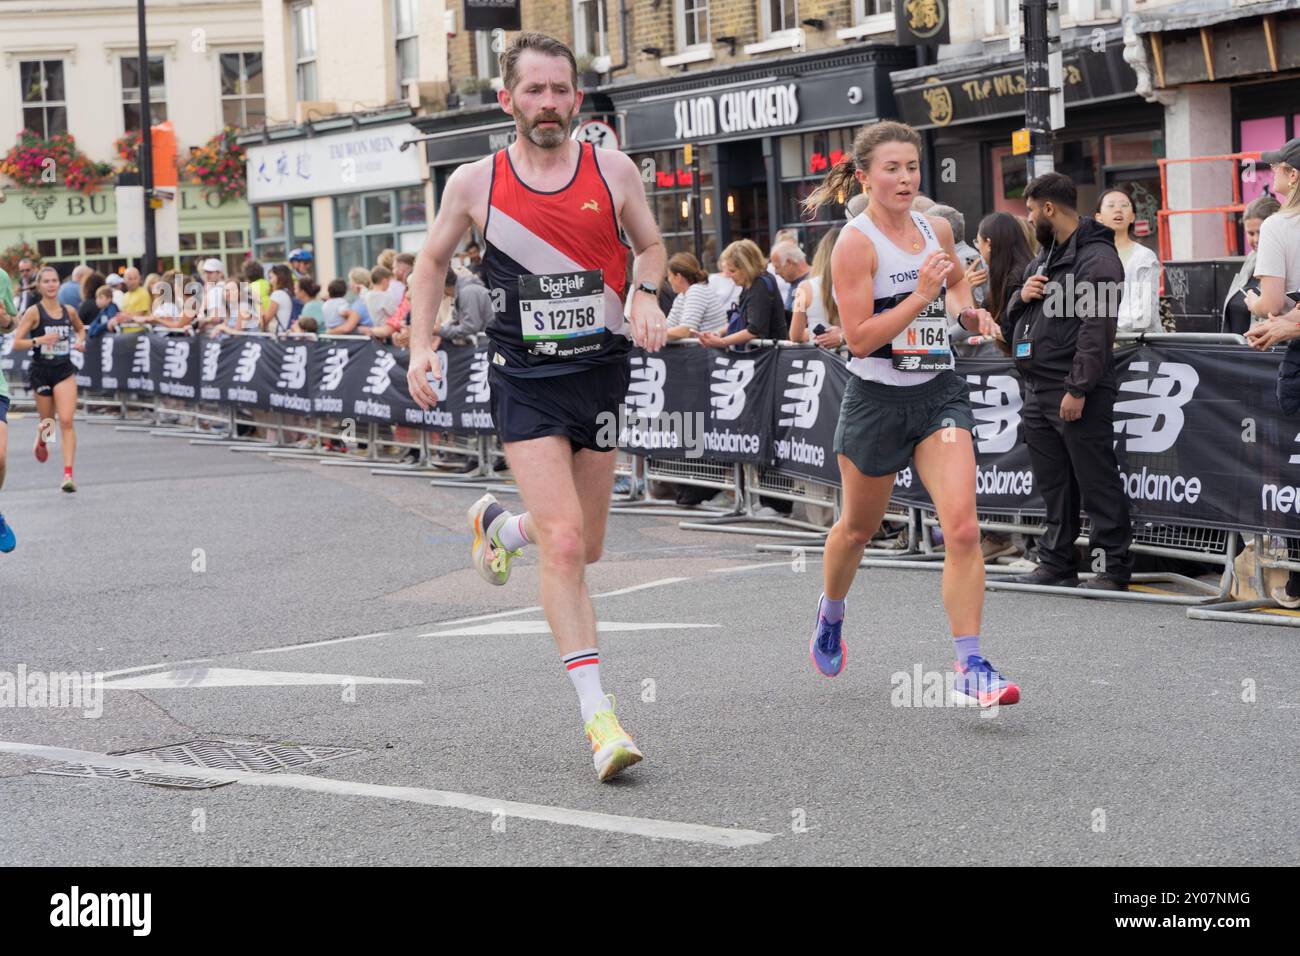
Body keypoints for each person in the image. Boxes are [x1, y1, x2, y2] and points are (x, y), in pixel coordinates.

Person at [407, 31, 667, 781]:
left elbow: (650, 248)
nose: (548, 105)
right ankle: (599, 718)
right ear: (507, 99)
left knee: (584, 547)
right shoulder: (474, 183)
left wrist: (646, 295)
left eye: (560, 91)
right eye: (534, 91)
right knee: (563, 547)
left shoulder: (612, 170)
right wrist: (421, 347)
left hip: (601, 373)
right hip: (524, 377)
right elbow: (429, 261)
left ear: (576, 99)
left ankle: (499, 527)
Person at [798, 120, 1017, 707]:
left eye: (912, 167)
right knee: (856, 530)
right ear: (864, 176)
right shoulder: (855, 243)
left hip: (937, 392)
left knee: (964, 526)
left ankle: (971, 664)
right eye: (890, 168)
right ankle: (832, 610)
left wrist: (974, 317)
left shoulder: (936, 227)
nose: (903, 178)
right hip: (876, 400)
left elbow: (958, 296)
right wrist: (921, 295)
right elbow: (862, 340)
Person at [1004, 171, 1134, 591]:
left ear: (1048, 208)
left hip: (1075, 390)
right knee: (1054, 483)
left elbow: (1097, 331)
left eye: (1029, 210)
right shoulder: (1047, 255)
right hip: (1037, 388)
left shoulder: (1098, 258)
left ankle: (1112, 568)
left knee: (1096, 480)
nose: (1027, 219)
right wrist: (1020, 297)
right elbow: (1015, 319)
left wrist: (1078, 388)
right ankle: (1057, 562)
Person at [1243, 137, 1300, 608]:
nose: (1271, 176)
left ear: (1293, 177)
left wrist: (1254, 305)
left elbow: (1272, 301)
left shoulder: (1281, 226)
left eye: (1277, 169)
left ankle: (1298, 579)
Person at [12, 265, 85, 492]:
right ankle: (42, 439)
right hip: (41, 370)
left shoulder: (69, 311)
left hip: (63, 369)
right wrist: (39, 340)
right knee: (48, 423)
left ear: (59, 284)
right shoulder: (34, 312)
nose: (51, 285)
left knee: (66, 420)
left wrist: (81, 341)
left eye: (54, 281)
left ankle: (68, 475)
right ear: (40, 286)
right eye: (47, 281)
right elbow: (16, 343)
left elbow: (81, 330)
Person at [697, 239, 788, 349]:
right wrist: (718, 333)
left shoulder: (759, 285)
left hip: (768, 356)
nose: (729, 276)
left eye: (733, 271)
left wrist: (722, 341)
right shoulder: (753, 283)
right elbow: (742, 320)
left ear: (747, 267)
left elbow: (754, 330)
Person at [1094, 188, 1161, 333]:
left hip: (1138, 347)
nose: (1118, 210)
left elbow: (1144, 315)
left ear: (1133, 217)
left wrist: (1106, 331)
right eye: (1111, 205)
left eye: (1124, 205)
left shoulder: (1144, 258)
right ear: (1098, 217)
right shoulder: (1089, 257)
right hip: (1098, 345)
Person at [1223, 194, 1281, 334]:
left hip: (1268, 351)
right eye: (1250, 233)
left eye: (1261, 232)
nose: (1256, 239)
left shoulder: (1285, 261)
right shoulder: (1251, 259)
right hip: (1237, 350)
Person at [789, 227, 844, 348]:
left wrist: (815, 331)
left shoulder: (804, 288)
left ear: (821, 253)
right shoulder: (858, 284)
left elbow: (795, 335)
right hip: (852, 360)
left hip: (821, 360)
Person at [663, 252, 726, 340]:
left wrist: (653, 335)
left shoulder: (697, 291)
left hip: (710, 349)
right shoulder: (681, 296)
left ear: (678, 277)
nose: (668, 280)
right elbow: (668, 325)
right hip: (700, 348)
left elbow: (686, 331)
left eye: (669, 276)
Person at [434, 267, 494, 344]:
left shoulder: (467, 292)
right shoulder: (466, 290)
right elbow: (459, 321)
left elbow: (470, 327)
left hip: (488, 342)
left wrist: (441, 330)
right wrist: (442, 328)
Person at [0, 282, 14, 550]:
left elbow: (13, 323)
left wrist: (4, 319)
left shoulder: (1, 277)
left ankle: (46, 438)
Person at [770, 240, 812, 327]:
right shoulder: (794, 283)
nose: (776, 272)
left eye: (777, 267)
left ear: (789, 263)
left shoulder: (814, 281)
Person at [263, 264, 296, 335]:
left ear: (279, 278)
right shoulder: (289, 292)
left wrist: (258, 303)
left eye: (270, 278)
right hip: (290, 334)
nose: (269, 282)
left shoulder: (278, 294)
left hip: (282, 337)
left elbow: (265, 321)